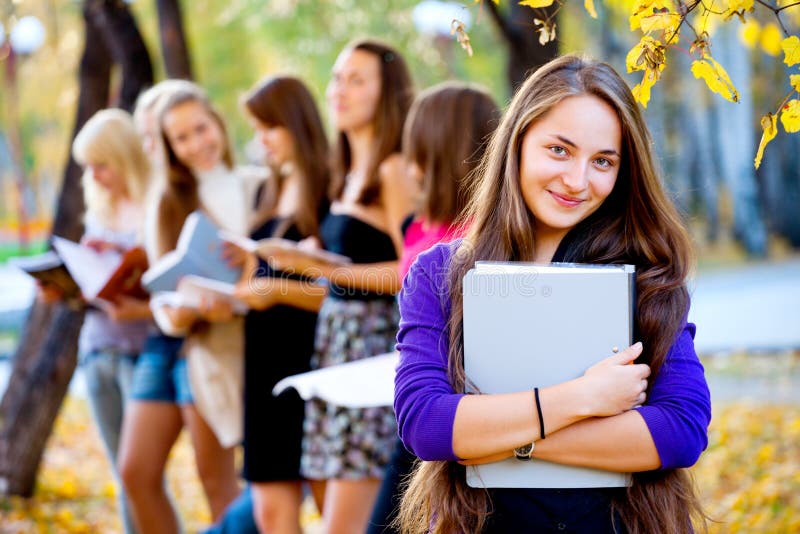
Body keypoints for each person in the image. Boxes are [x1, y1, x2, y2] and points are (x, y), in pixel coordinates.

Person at [394, 55, 712, 534]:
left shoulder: (649, 277)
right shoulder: (440, 273)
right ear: (518, 142)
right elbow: (426, 424)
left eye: (602, 161)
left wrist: (497, 436)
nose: (577, 181)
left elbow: (680, 432)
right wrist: (583, 397)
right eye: (559, 150)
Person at [266, 39, 415, 533]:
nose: (340, 91)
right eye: (336, 78)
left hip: (373, 349)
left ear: (386, 92)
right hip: (335, 348)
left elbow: (413, 270)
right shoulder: (342, 171)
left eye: (357, 80)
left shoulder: (394, 168)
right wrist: (311, 256)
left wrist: (328, 271)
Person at [118, 83, 264, 534]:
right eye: (180, 138)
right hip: (200, 346)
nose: (196, 144)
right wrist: (180, 311)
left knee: (245, 481)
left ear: (217, 123)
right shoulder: (168, 200)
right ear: (167, 146)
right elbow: (165, 293)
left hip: (254, 339)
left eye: (200, 129)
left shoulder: (258, 185)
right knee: (205, 477)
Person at [367, 82, 500, 534]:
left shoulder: (470, 242)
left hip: (451, 409)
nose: (409, 162)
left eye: (416, 143)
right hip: (413, 389)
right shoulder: (422, 227)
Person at [205, 75, 332, 534]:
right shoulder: (267, 192)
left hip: (310, 360)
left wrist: (277, 288)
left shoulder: (332, 190)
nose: (261, 142)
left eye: (268, 129)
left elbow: (347, 292)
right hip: (263, 362)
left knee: (333, 507)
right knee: (270, 516)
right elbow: (258, 280)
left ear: (295, 123)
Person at [46, 109, 153, 534]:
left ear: (124, 156)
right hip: (98, 344)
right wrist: (67, 287)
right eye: (89, 167)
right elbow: (95, 282)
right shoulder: (99, 208)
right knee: (122, 472)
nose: (96, 174)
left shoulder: (153, 204)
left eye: (102, 164)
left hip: (143, 347)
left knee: (140, 472)